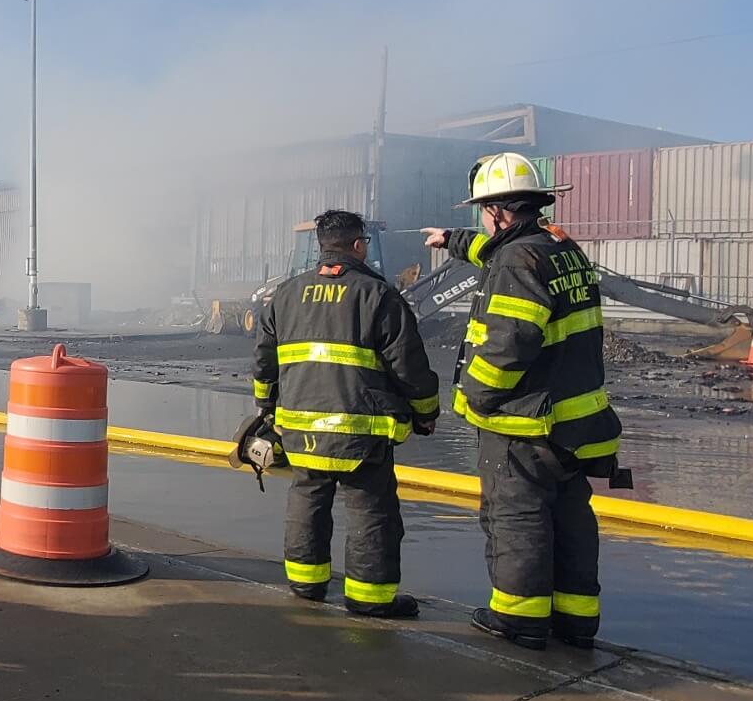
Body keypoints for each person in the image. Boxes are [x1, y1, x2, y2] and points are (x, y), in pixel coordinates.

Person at [421, 153, 622, 650]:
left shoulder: (516, 260)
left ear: (497, 212)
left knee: (517, 516)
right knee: (571, 517)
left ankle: (519, 619)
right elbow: (496, 253)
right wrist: (452, 241)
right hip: (575, 422)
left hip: (524, 421)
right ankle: (576, 621)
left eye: (483, 213)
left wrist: (477, 396)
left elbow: (509, 340)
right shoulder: (561, 248)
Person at [245, 210, 439, 617]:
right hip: (361, 433)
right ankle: (369, 599)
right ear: (358, 245)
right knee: (371, 512)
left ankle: (306, 583)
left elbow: (264, 362)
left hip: (298, 429)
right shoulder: (378, 295)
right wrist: (425, 412)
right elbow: (409, 366)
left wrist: (266, 408)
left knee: (307, 502)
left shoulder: (286, 294)